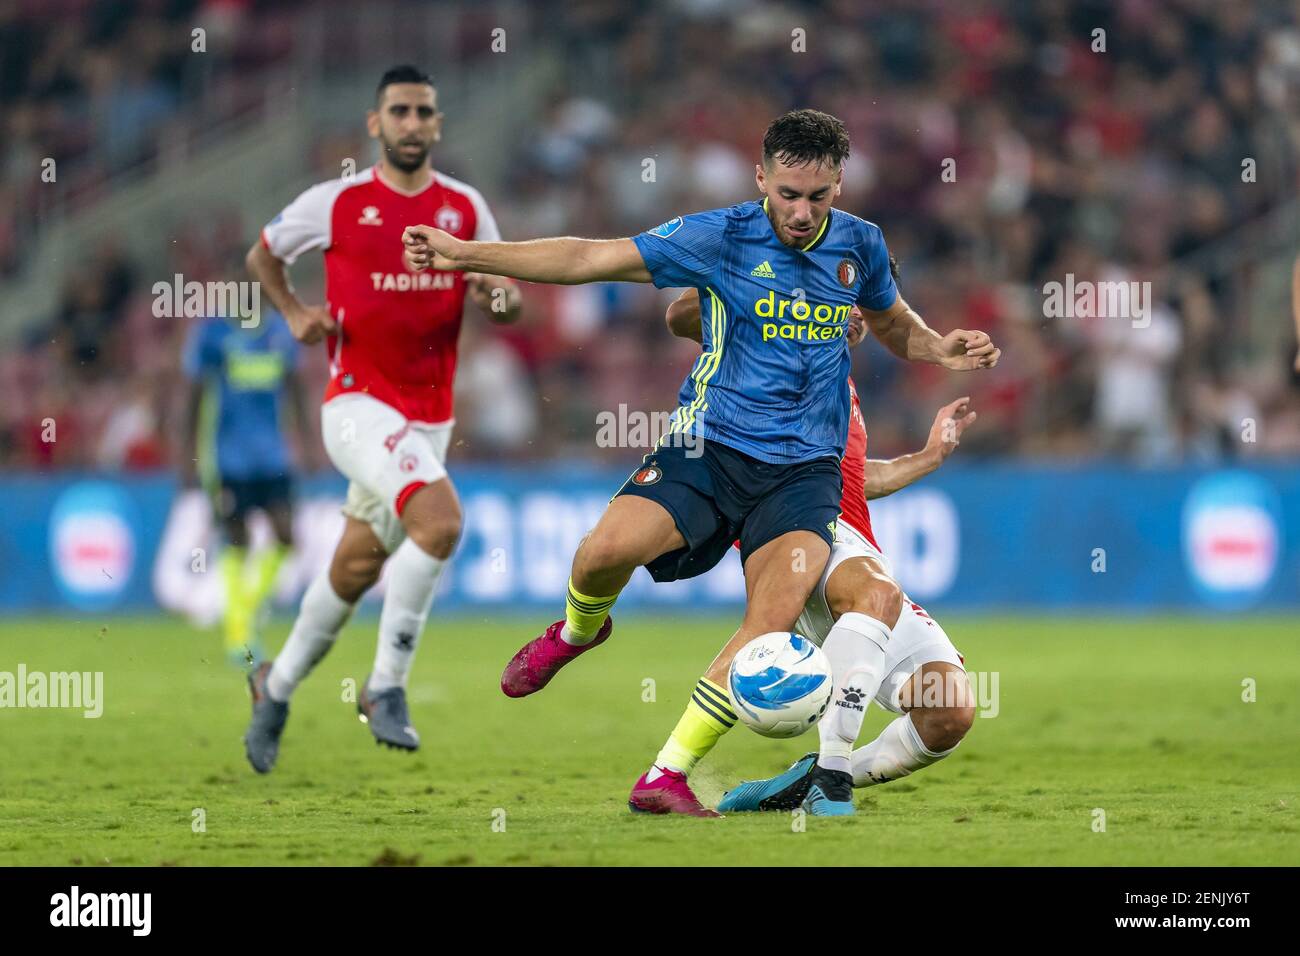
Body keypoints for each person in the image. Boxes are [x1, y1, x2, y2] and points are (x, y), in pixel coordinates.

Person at [403, 108, 999, 814]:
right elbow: (592, 258)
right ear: (760, 179)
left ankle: (666, 774)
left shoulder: (861, 247)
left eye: (818, 197)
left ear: (839, 185)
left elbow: (894, 323)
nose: (802, 213)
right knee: (603, 552)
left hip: (803, 474)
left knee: (768, 625)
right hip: (709, 446)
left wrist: (940, 347)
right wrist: (466, 253)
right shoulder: (720, 236)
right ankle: (574, 633)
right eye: (787, 194)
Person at [240, 65, 521, 773]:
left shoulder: (463, 209)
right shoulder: (335, 203)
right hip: (356, 405)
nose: (411, 123)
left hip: (429, 421)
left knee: (353, 571)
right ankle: (386, 686)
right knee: (442, 521)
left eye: (424, 112)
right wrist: (298, 314)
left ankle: (272, 690)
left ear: (437, 125)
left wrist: (500, 299)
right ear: (375, 124)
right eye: (398, 111)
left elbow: (504, 288)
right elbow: (264, 254)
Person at [666, 286, 976, 816]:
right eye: (840, 299)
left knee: (949, 712)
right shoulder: (766, 360)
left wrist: (928, 457)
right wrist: (790, 303)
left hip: (850, 546)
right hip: (800, 536)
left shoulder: (843, 389)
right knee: (879, 591)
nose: (852, 313)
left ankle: (805, 780)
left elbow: (856, 478)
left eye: (859, 304)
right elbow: (681, 314)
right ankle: (831, 778)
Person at [180, 306, 313, 665]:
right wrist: (188, 455)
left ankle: (244, 611)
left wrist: (308, 439)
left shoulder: (279, 332)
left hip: (273, 456)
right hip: (227, 458)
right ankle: (238, 635)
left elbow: (295, 387)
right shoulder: (213, 334)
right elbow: (193, 397)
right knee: (238, 539)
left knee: (286, 535)